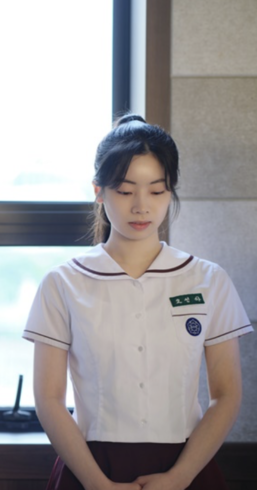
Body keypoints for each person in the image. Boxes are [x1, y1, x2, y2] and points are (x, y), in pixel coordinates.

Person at [23, 114, 252, 490]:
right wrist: (98, 484)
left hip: (187, 467)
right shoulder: (63, 283)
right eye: (125, 191)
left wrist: (179, 477)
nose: (142, 206)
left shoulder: (209, 279)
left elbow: (226, 395)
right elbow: (48, 398)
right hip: (90, 468)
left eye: (157, 191)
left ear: (171, 191)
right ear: (99, 191)